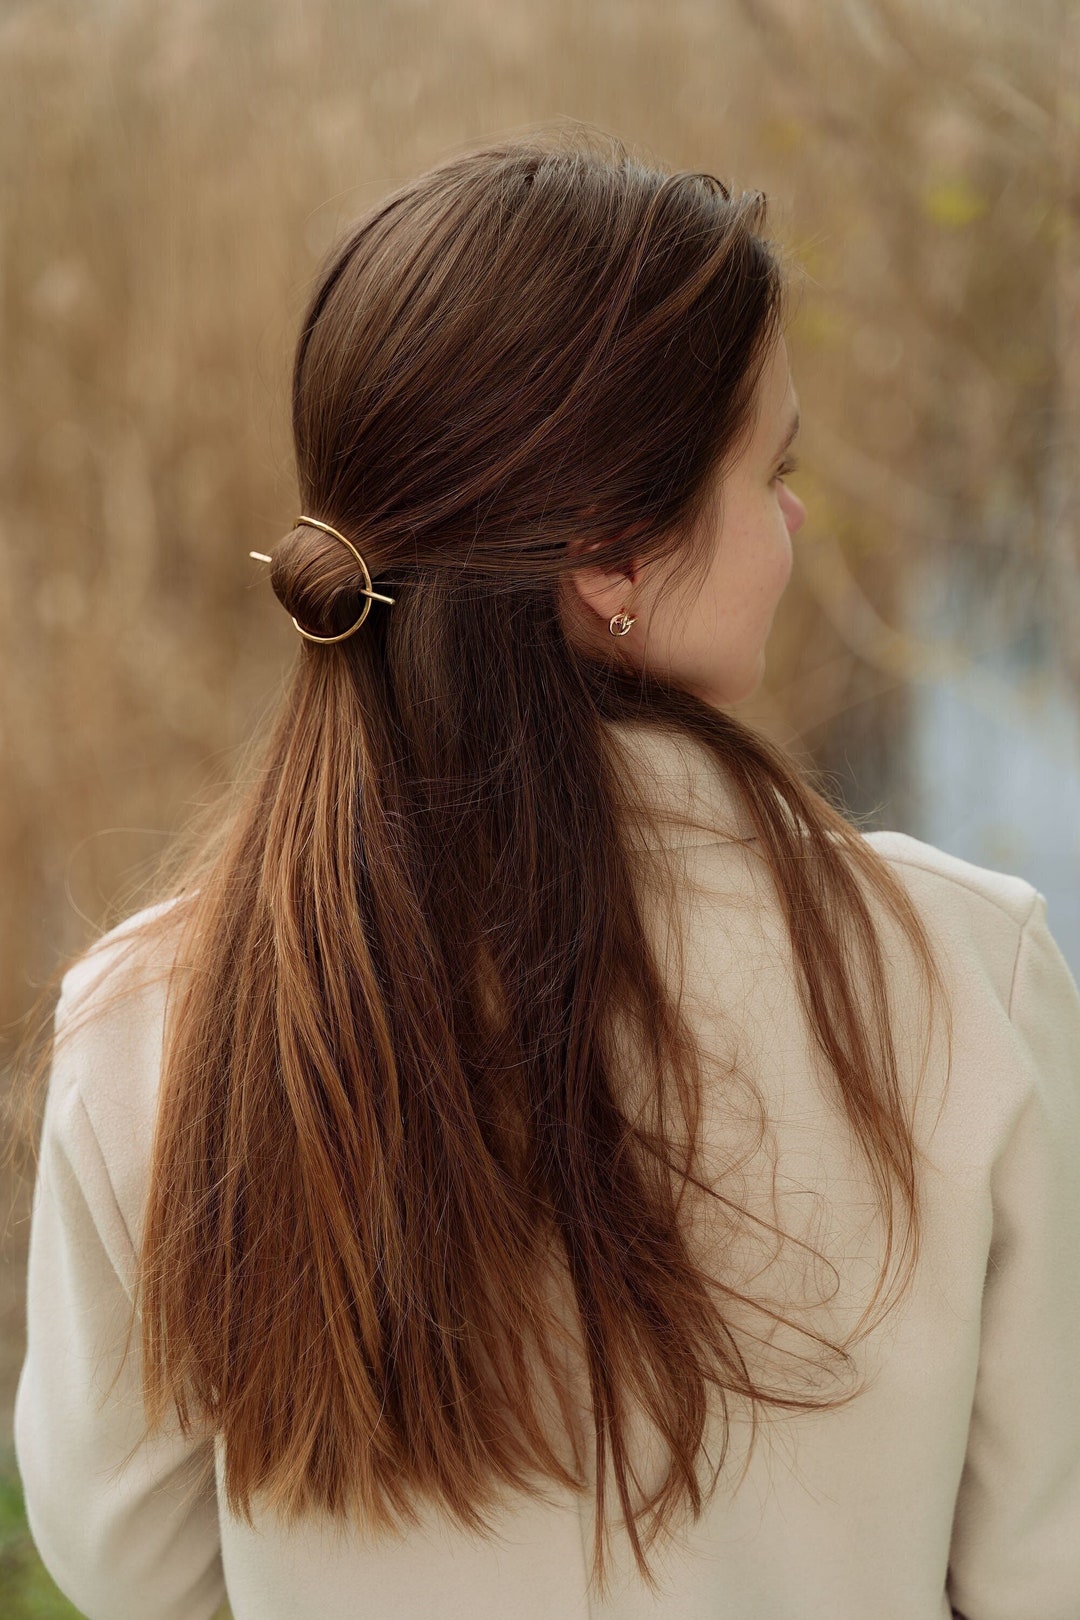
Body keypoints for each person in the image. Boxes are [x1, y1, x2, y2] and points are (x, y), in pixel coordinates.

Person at [12, 126, 1080, 1620]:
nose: (789, 524)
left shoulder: (147, 1014)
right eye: (769, 473)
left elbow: (132, 1567)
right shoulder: (965, 965)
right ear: (609, 559)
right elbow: (1046, 1570)